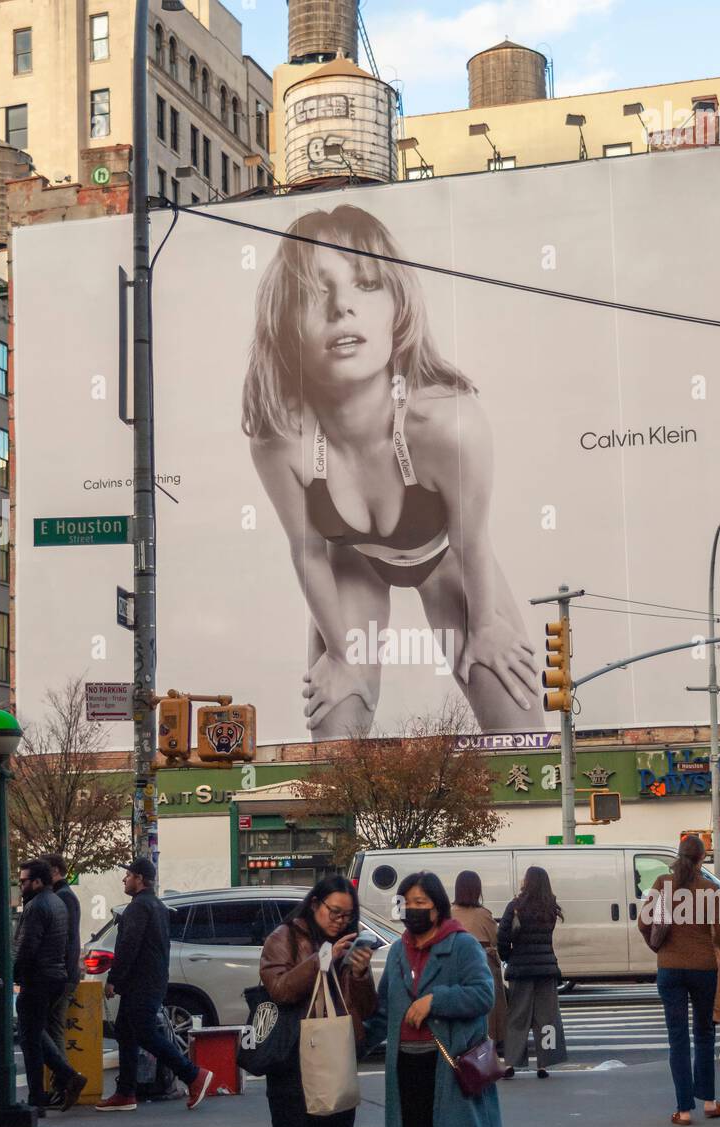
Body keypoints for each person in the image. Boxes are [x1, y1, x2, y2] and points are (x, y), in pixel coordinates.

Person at [242, 203, 541, 741]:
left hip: (448, 558)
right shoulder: (280, 439)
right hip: (354, 567)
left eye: (367, 285)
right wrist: (340, 654)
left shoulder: (448, 424)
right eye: (315, 291)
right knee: (335, 733)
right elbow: (307, 550)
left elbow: (472, 542)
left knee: (522, 733)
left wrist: (488, 627)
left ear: (399, 307)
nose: (342, 309)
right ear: (284, 320)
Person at [366, 871, 502, 1127]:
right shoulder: (396, 952)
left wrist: (434, 1001)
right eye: (408, 901)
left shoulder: (460, 945)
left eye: (422, 902)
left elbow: (484, 994)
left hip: (449, 1067)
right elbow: (385, 1010)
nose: (414, 909)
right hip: (407, 1065)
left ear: (438, 905)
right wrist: (354, 1040)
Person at [259, 875, 378, 1127]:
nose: (340, 920)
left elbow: (366, 1009)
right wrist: (320, 959)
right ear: (314, 904)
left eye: (347, 915)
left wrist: (360, 974)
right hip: (292, 1064)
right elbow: (278, 989)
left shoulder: (349, 944)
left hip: (335, 1059)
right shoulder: (284, 939)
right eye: (334, 912)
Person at [96, 858, 213, 1114]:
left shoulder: (139, 907)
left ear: (139, 878)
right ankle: (125, 1092)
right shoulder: (157, 906)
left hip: (140, 983)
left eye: (128, 875)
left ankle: (193, 1075)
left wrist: (114, 979)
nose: (124, 880)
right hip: (152, 979)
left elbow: (128, 946)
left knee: (146, 1034)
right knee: (126, 1034)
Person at [641, 835, 720, 1124]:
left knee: (678, 1038)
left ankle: (684, 1110)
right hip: (702, 969)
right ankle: (709, 1102)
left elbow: (643, 923)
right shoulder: (710, 889)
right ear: (702, 859)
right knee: (705, 1033)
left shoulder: (662, 883)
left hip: (669, 970)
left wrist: (658, 948)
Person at [14, 859, 86, 1115]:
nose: (20, 885)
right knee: (34, 1035)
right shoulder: (56, 902)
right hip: (54, 976)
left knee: (30, 1038)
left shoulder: (36, 906)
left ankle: (46, 1091)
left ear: (37, 881)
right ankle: (51, 1088)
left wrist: (15, 973)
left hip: (38, 978)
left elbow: (27, 947)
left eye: (24, 881)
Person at [498, 866, 567, 1078]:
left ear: (526, 882)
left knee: (518, 1017)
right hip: (546, 969)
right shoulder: (550, 908)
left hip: (521, 969)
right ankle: (544, 1065)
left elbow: (503, 935)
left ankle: (511, 1063)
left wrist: (507, 957)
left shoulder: (515, 906)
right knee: (546, 1018)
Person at [451, 870, 507, 1052]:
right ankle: (493, 1038)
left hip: (456, 961)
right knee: (490, 1003)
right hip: (484, 959)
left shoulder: (449, 913)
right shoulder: (483, 914)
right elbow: (495, 937)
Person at [43, 853, 82, 1106]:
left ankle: (66, 1080)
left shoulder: (61, 898)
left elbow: (61, 939)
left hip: (60, 974)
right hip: (66, 973)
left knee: (48, 1028)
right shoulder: (67, 896)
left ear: (55, 871)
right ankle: (64, 1082)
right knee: (52, 1027)